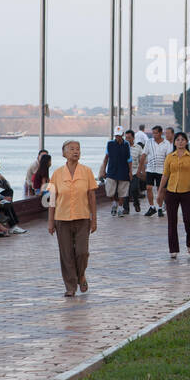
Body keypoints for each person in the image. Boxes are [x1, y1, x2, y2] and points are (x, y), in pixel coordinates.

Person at [47, 140, 98, 296]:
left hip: (82, 217)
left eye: (78, 149)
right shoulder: (57, 174)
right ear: (64, 153)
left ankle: (81, 274)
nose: (76, 151)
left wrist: (94, 219)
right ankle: (70, 286)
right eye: (72, 149)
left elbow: (91, 196)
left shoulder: (87, 171)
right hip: (62, 218)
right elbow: (52, 199)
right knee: (66, 254)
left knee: (82, 252)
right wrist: (50, 221)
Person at [162, 131, 190, 257]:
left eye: (182, 139)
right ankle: (173, 249)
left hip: (187, 192)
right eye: (177, 140)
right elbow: (165, 175)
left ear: (186, 142)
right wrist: (160, 191)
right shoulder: (169, 157)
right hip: (171, 192)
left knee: (188, 219)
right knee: (172, 221)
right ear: (174, 142)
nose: (180, 142)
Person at [99, 126, 134, 216]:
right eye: (116, 136)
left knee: (122, 191)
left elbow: (129, 160)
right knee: (110, 192)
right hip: (112, 170)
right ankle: (114, 203)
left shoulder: (126, 144)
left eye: (119, 135)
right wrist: (103, 170)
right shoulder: (110, 144)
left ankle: (120, 208)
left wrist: (130, 172)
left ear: (122, 134)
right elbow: (106, 158)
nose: (117, 137)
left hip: (123, 170)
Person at [143, 126, 170, 217]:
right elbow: (144, 154)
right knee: (148, 188)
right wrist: (140, 169)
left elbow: (168, 158)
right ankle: (152, 207)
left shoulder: (167, 144)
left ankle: (159, 208)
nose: (154, 135)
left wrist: (168, 171)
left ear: (161, 133)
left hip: (162, 170)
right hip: (150, 169)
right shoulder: (149, 142)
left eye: (156, 133)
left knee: (161, 189)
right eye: (153, 133)